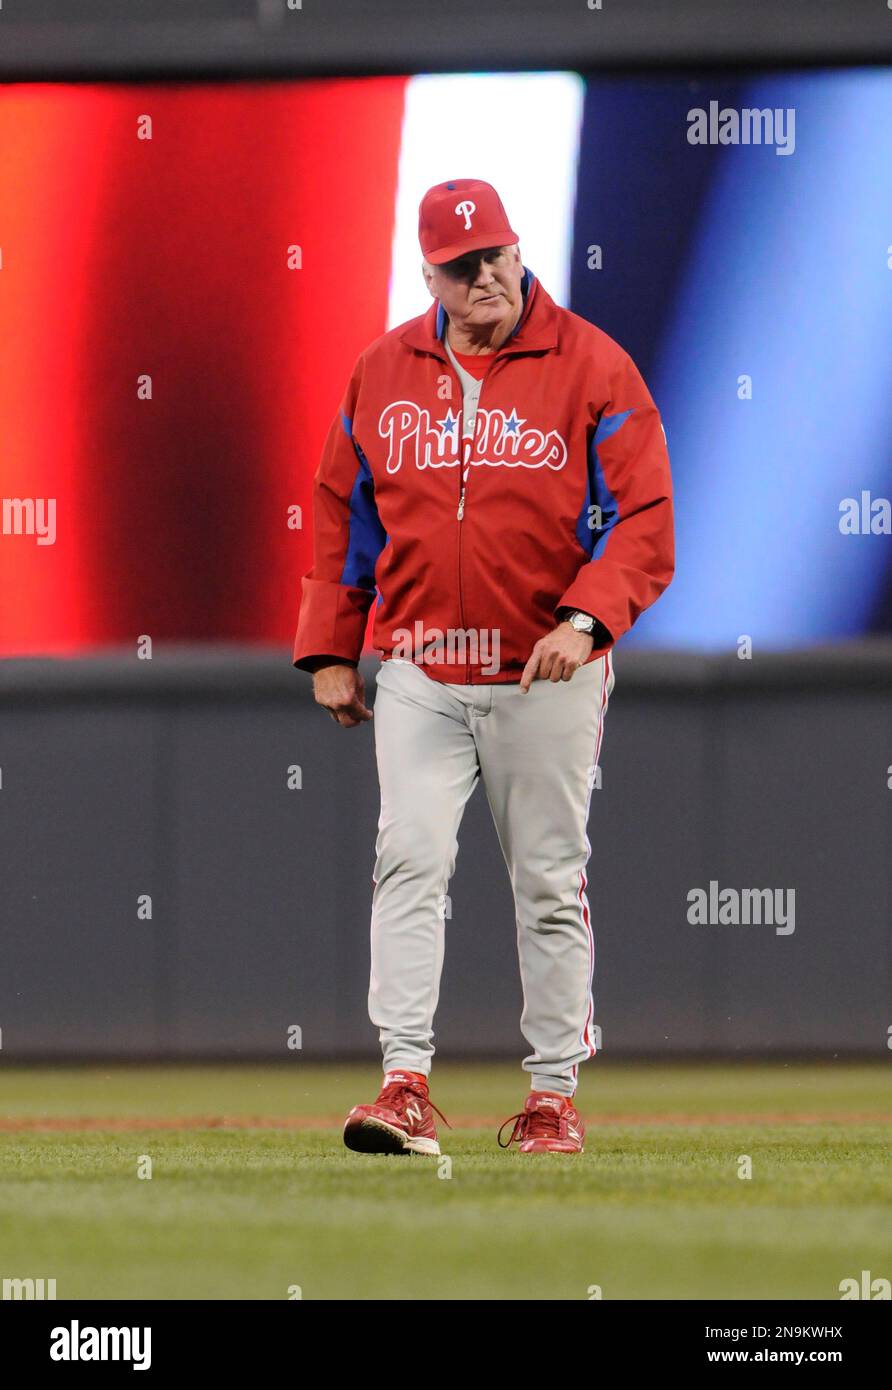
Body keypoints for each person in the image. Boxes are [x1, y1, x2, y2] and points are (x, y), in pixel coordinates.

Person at [292, 178, 675, 1155]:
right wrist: (332, 640)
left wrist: (588, 618)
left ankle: (552, 1096)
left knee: (547, 878)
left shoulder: (591, 365)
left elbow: (644, 516)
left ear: (517, 250)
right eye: (462, 266)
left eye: (495, 256)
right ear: (429, 274)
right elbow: (343, 510)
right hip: (421, 661)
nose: (485, 277)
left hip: (542, 667)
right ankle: (403, 1083)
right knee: (408, 857)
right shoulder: (381, 370)